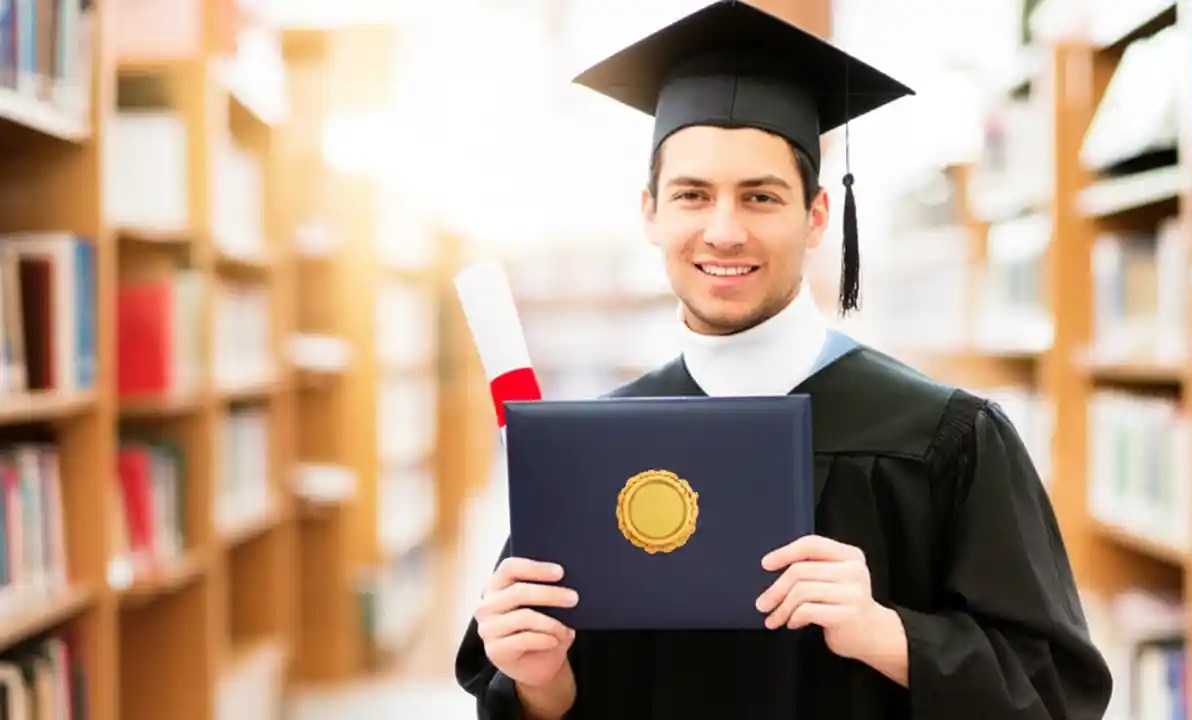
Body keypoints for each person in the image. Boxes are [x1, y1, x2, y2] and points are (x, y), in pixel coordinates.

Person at [455, 2, 1114, 718]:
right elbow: (534, 698)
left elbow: (1055, 696)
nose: (724, 230)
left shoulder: (943, 438)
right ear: (650, 212)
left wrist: (887, 634)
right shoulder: (588, 453)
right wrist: (540, 680)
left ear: (816, 215)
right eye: (692, 195)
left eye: (761, 197)